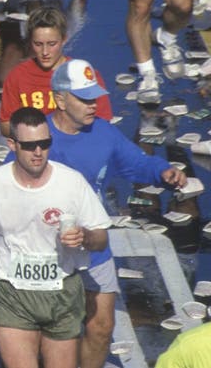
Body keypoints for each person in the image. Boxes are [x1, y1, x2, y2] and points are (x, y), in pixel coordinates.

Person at [0, 107, 112, 368]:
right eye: (30, 146)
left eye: (44, 144)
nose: (38, 152)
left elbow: (101, 237)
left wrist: (85, 237)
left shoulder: (71, 183)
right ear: (12, 144)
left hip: (62, 289)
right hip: (11, 291)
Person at [43, 60, 187, 368]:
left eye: (95, 96)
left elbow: (136, 162)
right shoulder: (39, 137)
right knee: (57, 333)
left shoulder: (104, 133)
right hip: (48, 251)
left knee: (101, 327)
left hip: (95, 246)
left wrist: (164, 171)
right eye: (84, 98)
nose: (93, 104)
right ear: (60, 99)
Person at [0, 6, 112, 138]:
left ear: (64, 40)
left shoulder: (84, 73)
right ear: (30, 42)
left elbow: (103, 122)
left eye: (52, 44)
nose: (45, 52)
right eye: (38, 44)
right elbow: (6, 124)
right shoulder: (17, 76)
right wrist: (34, 136)